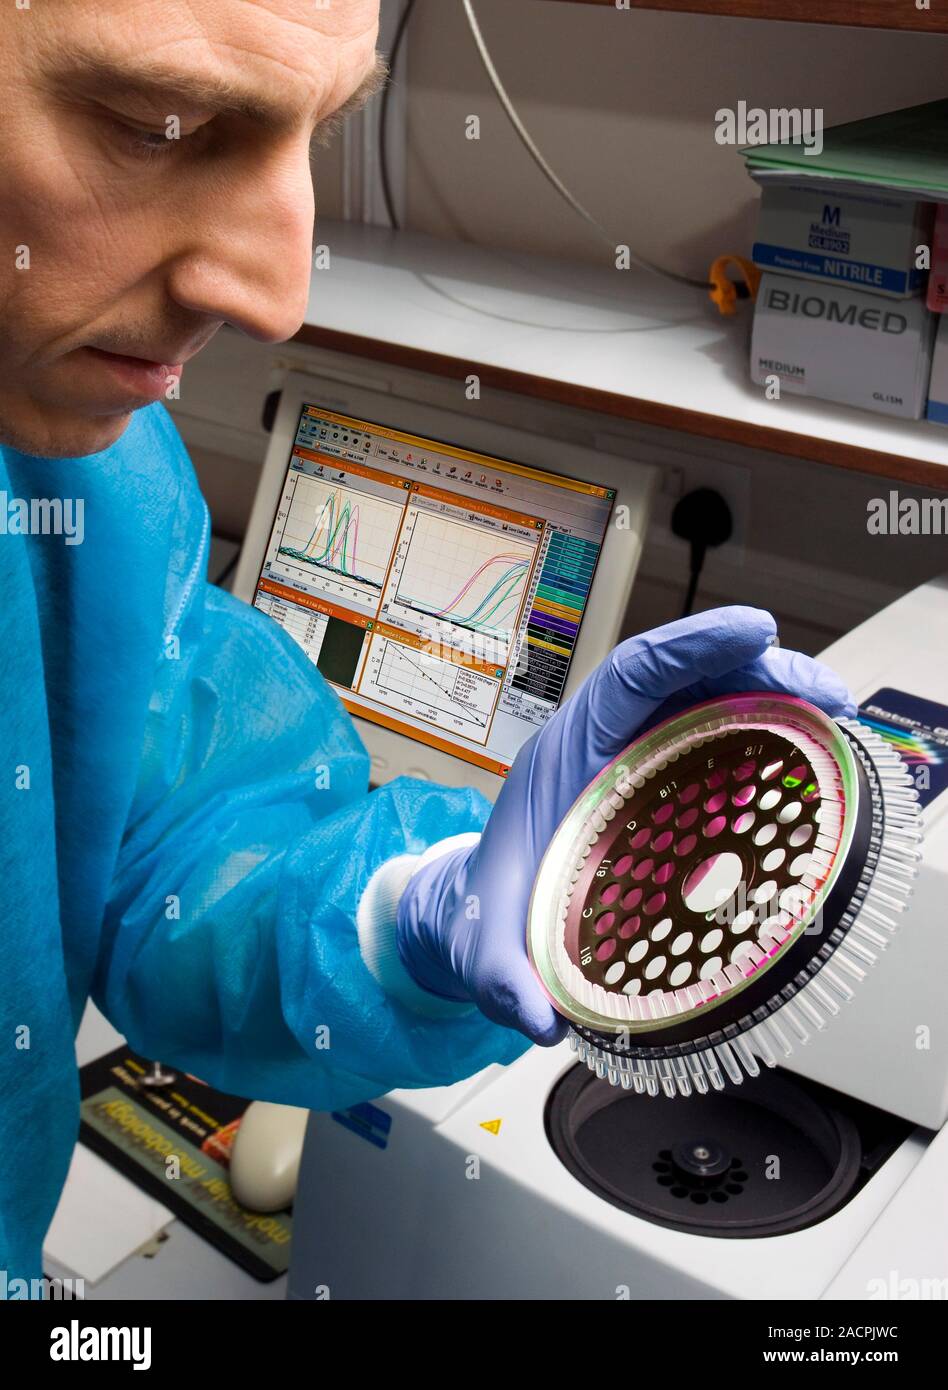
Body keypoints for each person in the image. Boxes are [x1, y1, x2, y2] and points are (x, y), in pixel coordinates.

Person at [0, 0, 853, 1286]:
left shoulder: (78, 489)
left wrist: (410, 910)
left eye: (319, 134)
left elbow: (164, 850)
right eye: (152, 125)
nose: (278, 296)